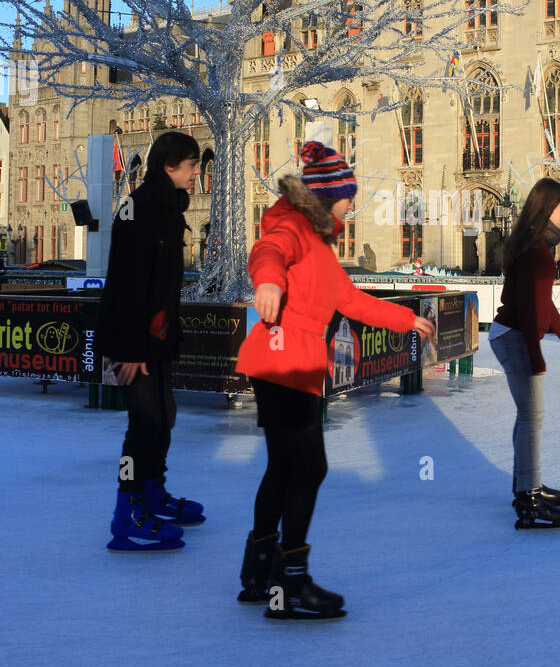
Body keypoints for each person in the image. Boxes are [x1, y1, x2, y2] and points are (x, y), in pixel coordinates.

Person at [234, 141, 435, 621]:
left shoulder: (319, 245)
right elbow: (268, 250)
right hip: (287, 363)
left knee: (284, 467)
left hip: (287, 365)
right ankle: (291, 584)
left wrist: (408, 321)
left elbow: (351, 300)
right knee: (308, 468)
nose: (352, 203)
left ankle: (260, 571)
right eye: (348, 195)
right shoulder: (295, 228)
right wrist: (268, 282)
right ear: (328, 196)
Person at [98, 131, 203, 552]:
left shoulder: (168, 209)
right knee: (142, 424)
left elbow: (162, 285)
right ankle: (127, 511)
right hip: (134, 341)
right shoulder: (137, 208)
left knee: (164, 416)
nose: (197, 173)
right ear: (169, 166)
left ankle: (152, 491)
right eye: (192, 165)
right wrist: (128, 349)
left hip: (156, 337)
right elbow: (125, 283)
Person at [487, 178, 560, 530]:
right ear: (549, 206)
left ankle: (524, 485)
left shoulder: (536, 246)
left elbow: (542, 302)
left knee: (527, 415)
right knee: (532, 416)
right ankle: (529, 495)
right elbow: (528, 309)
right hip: (514, 336)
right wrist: (537, 357)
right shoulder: (538, 253)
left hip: (510, 334)